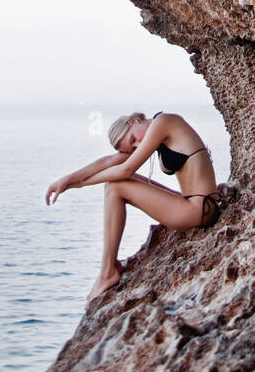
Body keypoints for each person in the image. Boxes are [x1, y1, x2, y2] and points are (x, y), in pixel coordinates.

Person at [45, 110, 224, 303]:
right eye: (132, 147)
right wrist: (68, 179)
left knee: (116, 186)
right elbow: (111, 161)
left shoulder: (165, 122)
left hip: (199, 211)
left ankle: (107, 272)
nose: (137, 145)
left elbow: (126, 169)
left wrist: (78, 184)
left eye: (133, 140)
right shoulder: (156, 134)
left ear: (133, 121)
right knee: (115, 183)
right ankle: (108, 268)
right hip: (195, 205)